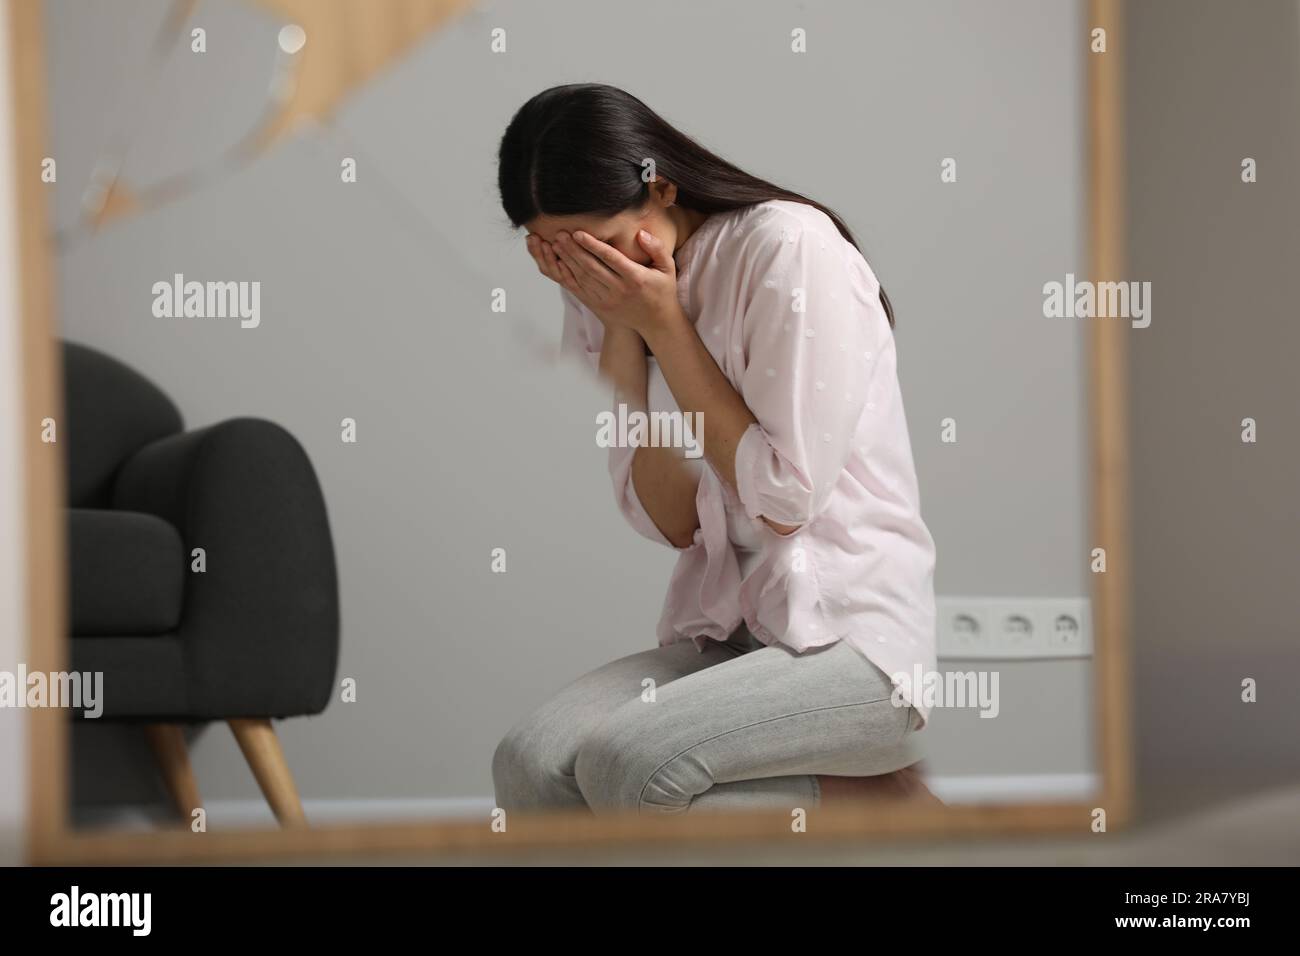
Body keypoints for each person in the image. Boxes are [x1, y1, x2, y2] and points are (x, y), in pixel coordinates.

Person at [492, 83, 942, 815]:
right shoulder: (611, 298)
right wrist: (626, 332)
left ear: (662, 188)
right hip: (733, 635)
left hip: (856, 641)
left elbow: (785, 504)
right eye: (563, 258)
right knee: (531, 764)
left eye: (602, 248)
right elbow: (671, 521)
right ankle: (858, 802)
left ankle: (879, 802)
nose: (592, 276)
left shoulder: (787, 250)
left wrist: (664, 323)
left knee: (631, 766)